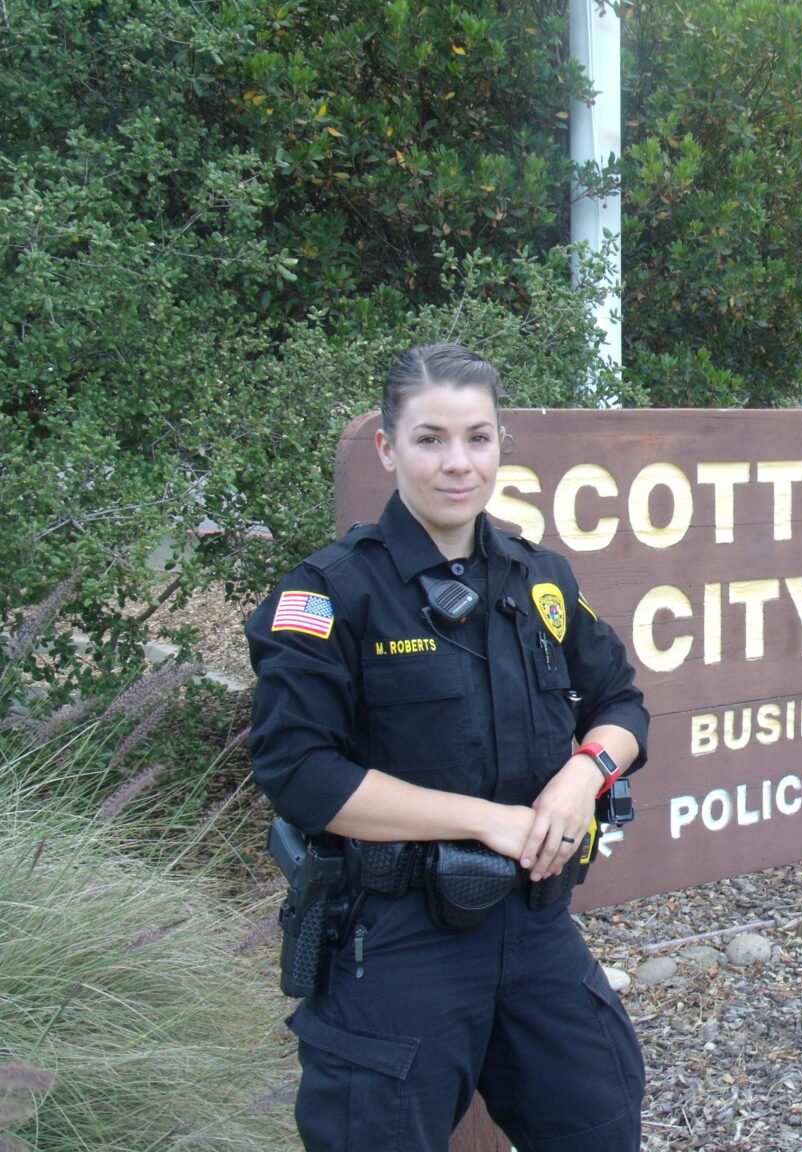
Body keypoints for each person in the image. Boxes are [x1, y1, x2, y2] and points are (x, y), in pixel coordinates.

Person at [245, 343, 648, 1152]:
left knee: (600, 1123)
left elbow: (620, 705)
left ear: (501, 445)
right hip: (397, 943)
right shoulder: (328, 594)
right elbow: (300, 772)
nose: (457, 463)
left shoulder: (541, 579)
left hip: (535, 931)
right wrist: (487, 821)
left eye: (478, 437)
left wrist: (582, 776)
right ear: (389, 448)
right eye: (430, 439)